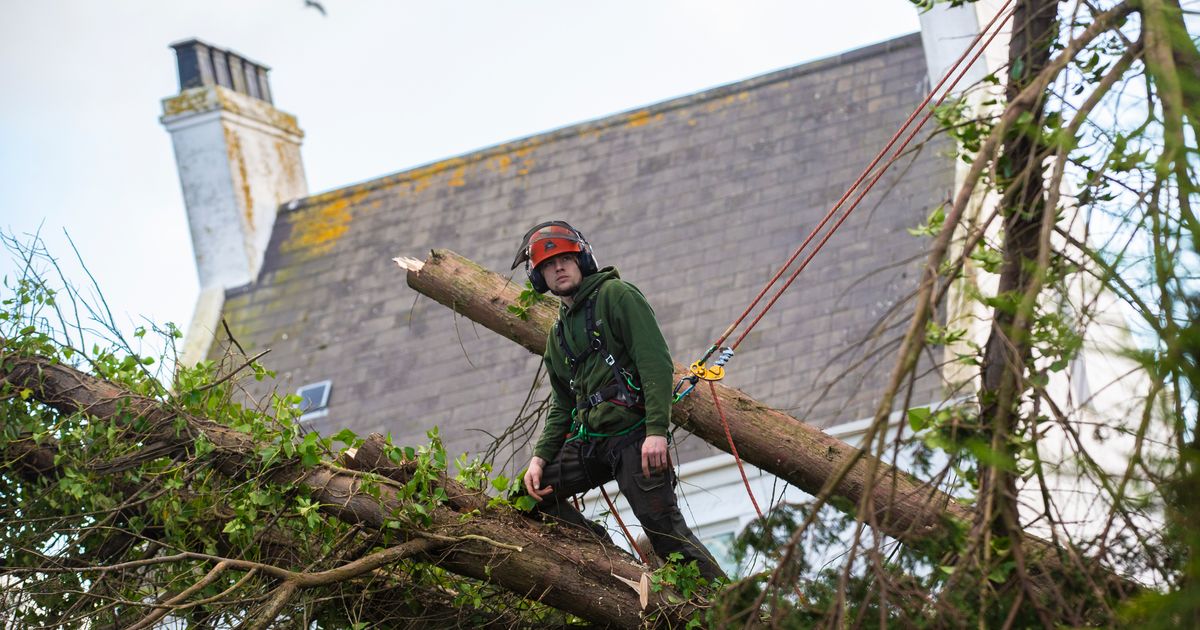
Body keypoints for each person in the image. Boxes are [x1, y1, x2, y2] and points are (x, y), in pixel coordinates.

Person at [510, 220, 726, 581]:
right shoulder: (558, 334)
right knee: (527, 495)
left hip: (635, 436)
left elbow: (654, 363)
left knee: (666, 535)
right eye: (548, 265)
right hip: (591, 441)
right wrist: (539, 458)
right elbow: (562, 404)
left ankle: (733, 606)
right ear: (539, 277)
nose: (558, 268)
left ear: (581, 260)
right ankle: (611, 563)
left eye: (565, 259)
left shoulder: (617, 296)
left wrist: (656, 431)